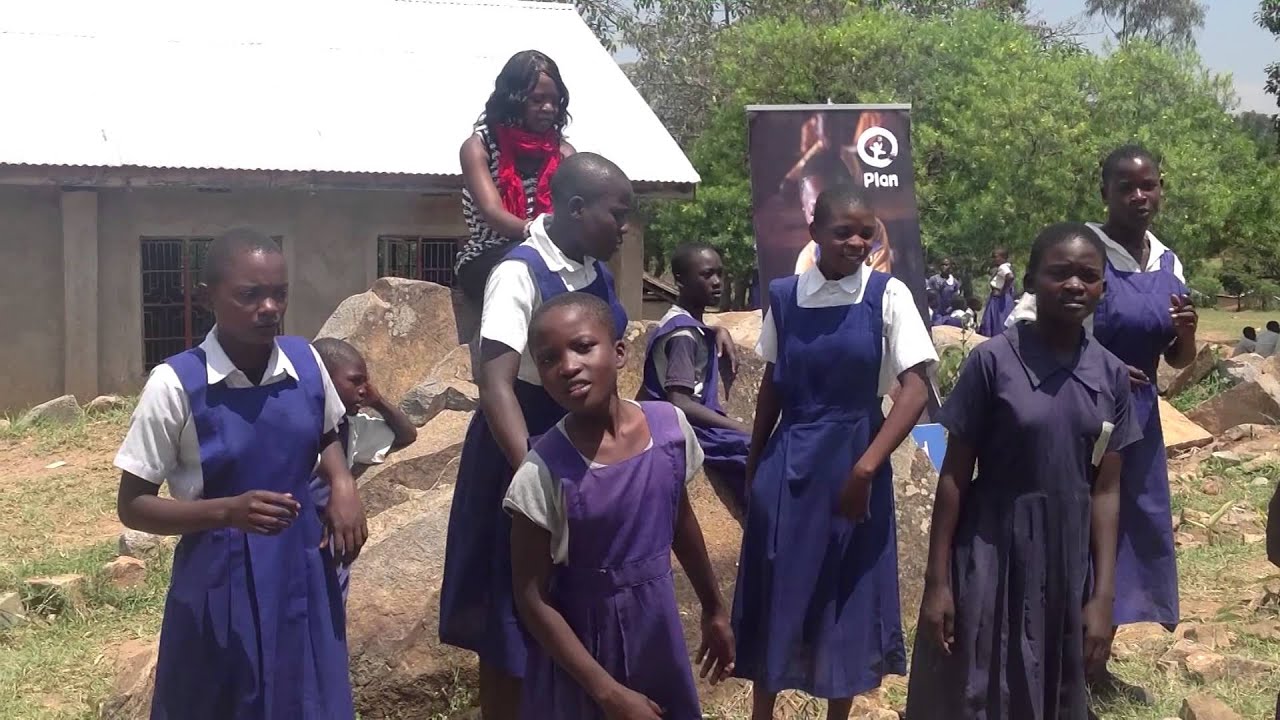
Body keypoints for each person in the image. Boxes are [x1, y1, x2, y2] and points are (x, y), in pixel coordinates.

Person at [113, 228, 367, 719]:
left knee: (308, 696)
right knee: (227, 698)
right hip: (220, 576)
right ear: (208, 297)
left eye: (279, 294)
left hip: (302, 569)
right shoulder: (175, 385)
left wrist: (342, 483)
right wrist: (228, 511)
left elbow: (327, 431)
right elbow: (133, 503)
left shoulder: (306, 363)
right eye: (250, 295)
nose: (269, 307)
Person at [905, 223, 1141, 720]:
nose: (1074, 285)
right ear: (1031, 279)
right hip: (992, 547)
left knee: (1051, 689)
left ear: (1102, 286)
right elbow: (953, 477)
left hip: (1066, 557)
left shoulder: (1112, 376)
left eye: (1088, 275)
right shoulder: (992, 361)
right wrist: (937, 583)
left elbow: (1106, 491)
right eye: (1059, 273)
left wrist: (1103, 596)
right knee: (980, 685)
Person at [997, 145, 1199, 705]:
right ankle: (1057, 662)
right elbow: (1025, 326)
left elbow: (1177, 360)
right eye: (1126, 187)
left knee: (1126, 533)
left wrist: (1186, 334)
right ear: (1104, 190)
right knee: (1074, 532)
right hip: (1077, 413)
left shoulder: (1167, 262)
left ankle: (1094, 661)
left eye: (1150, 186)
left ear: (1162, 189)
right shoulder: (1082, 250)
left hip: (1139, 421)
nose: (1140, 197)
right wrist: (1097, 362)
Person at [439, 153, 634, 720]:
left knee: (577, 606)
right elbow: (495, 383)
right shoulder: (518, 272)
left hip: (585, 445)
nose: (624, 227)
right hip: (523, 448)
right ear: (575, 209)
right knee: (513, 616)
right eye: (616, 214)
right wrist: (535, 482)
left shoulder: (596, 273)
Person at [733, 185, 936, 720]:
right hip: (790, 460)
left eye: (866, 233)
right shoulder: (784, 295)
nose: (856, 241)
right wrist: (756, 464)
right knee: (778, 584)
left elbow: (916, 387)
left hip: (855, 459)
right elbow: (773, 384)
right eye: (843, 231)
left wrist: (866, 469)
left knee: (845, 591)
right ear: (814, 233)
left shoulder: (887, 295)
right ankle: (762, 712)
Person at [507, 292, 736, 719]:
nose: (568, 366)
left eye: (582, 346)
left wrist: (714, 607)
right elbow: (532, 598)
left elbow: (680, 520)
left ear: (618, 353)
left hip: (657, 630)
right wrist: (608, 693)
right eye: (548, 359)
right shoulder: (542, 473)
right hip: (585, 657)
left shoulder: (669, 430)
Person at [454, 50, 576, 341]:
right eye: (537, 100)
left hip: (550, 253)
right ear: (514, 99)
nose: (548, 108)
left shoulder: (565, 153)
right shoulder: (478, 147)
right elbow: (493, 214)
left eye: (554, 101)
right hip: (488, 255)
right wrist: (540, 234)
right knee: (527, 266)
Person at [637, 243, 752, 511]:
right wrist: (740, 427)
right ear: (680, 280)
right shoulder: (683, 336)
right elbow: (680, 401)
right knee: (756, 450)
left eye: (720, 274)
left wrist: (716, 330)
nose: (717, 282)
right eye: (706, 275)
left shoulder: (686, 325)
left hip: (694, 424)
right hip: (688, 428)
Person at [310, 337, 418, 601]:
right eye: (355, 381)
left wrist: (378, 401)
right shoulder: (300, 427)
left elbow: (406, 434)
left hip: (334, 550)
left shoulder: (351, 428)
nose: (364, 389)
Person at [977, 248, 1017, 336]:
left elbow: (1010, 277)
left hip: (999, 300)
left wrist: (1002, 291)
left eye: (995, 257)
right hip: (1001, 299)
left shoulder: (1003, 267)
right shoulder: (1006, 267)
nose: (993, 259)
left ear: (1002, 258)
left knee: (997, 323)